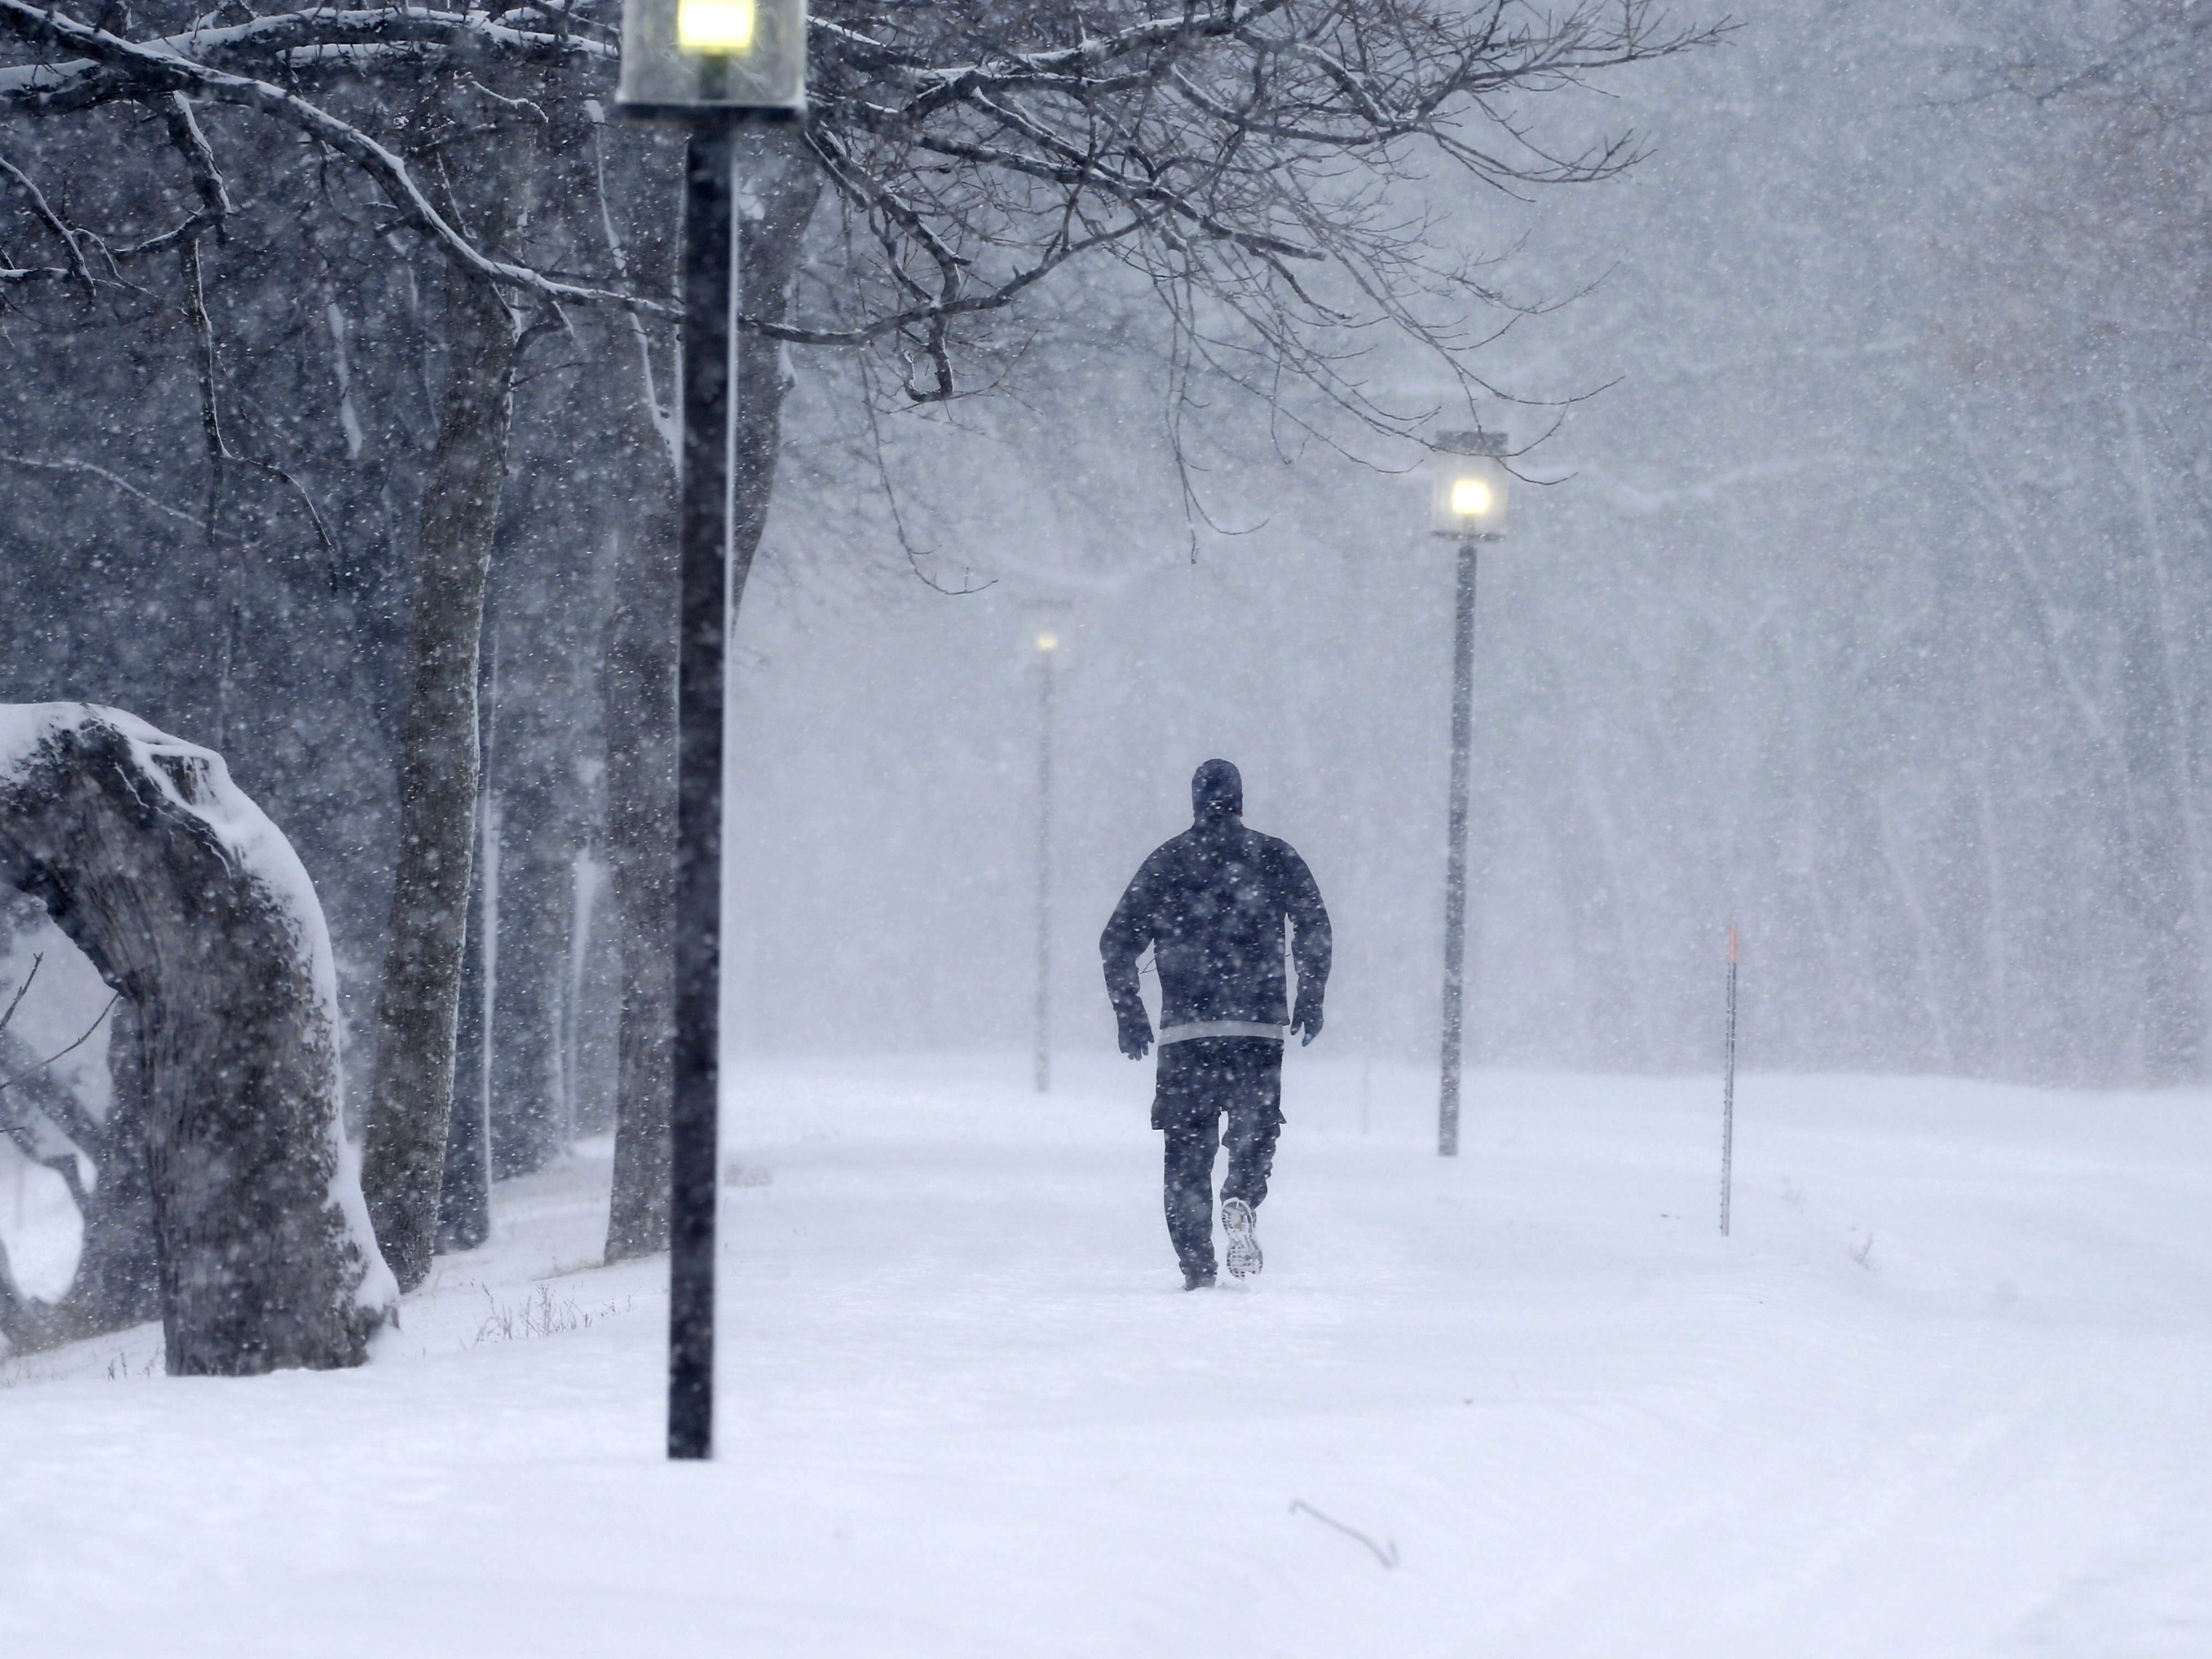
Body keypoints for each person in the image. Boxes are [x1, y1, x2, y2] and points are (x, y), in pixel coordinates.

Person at [1100, 759, 1331, 1289]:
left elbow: (1116, 940)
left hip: (1188, 1034)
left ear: (1195, 802)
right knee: (1256, 1130)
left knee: (1186, 1154)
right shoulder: (1273, 856)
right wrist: (1311, 994)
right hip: (1256, 1027)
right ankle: (1242, 1196)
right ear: (1241, 800)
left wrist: (1129, 1010)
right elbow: (1314, 923)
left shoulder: (1169, 860)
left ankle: (1198, 1269)